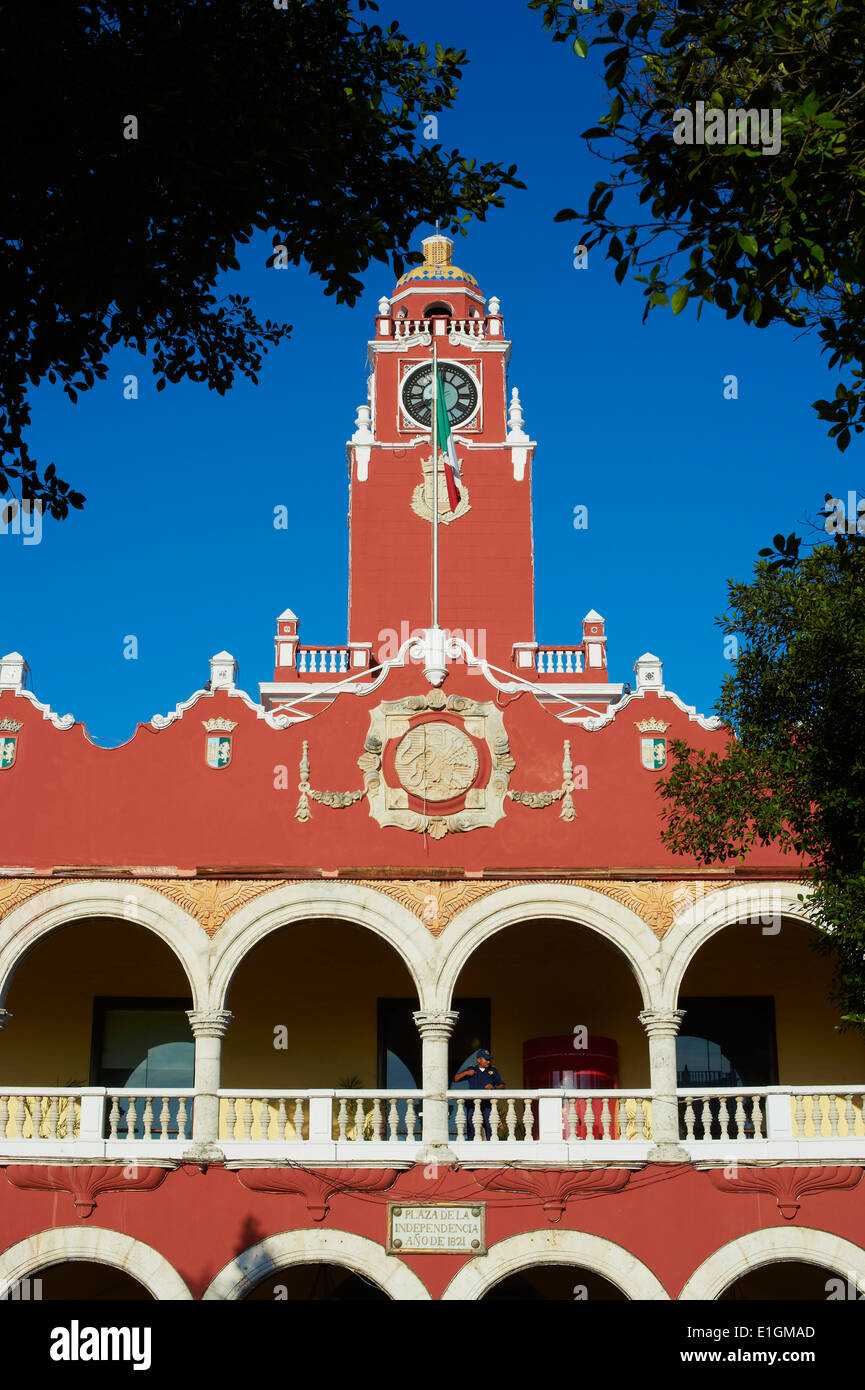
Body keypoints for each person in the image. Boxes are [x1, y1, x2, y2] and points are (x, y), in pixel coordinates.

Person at [453, 1048, 505, 1140]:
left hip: (487, 1104)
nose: (488, 1061)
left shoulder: (493, 1070)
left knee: (489, 1125)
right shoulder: (472, 1069)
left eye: (489, 1059)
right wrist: (466, 1073)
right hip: (472, 1104)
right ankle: (470, 1144)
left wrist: (493, 1087)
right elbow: (455, 1079)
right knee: (471, 1123)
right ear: (479, 1060)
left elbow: (502, 1085)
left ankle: (490, 1145)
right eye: (486, 1059)